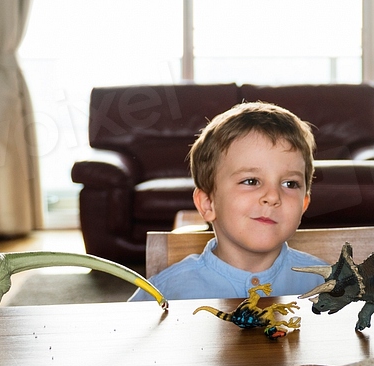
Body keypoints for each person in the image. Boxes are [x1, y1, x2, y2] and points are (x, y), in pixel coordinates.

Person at [130, 102, 327, 300]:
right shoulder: (166, 291)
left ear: (304, 204)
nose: (273, 197)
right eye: (251, 181)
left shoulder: (326, 284)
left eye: (290, 184)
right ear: (208, 204)